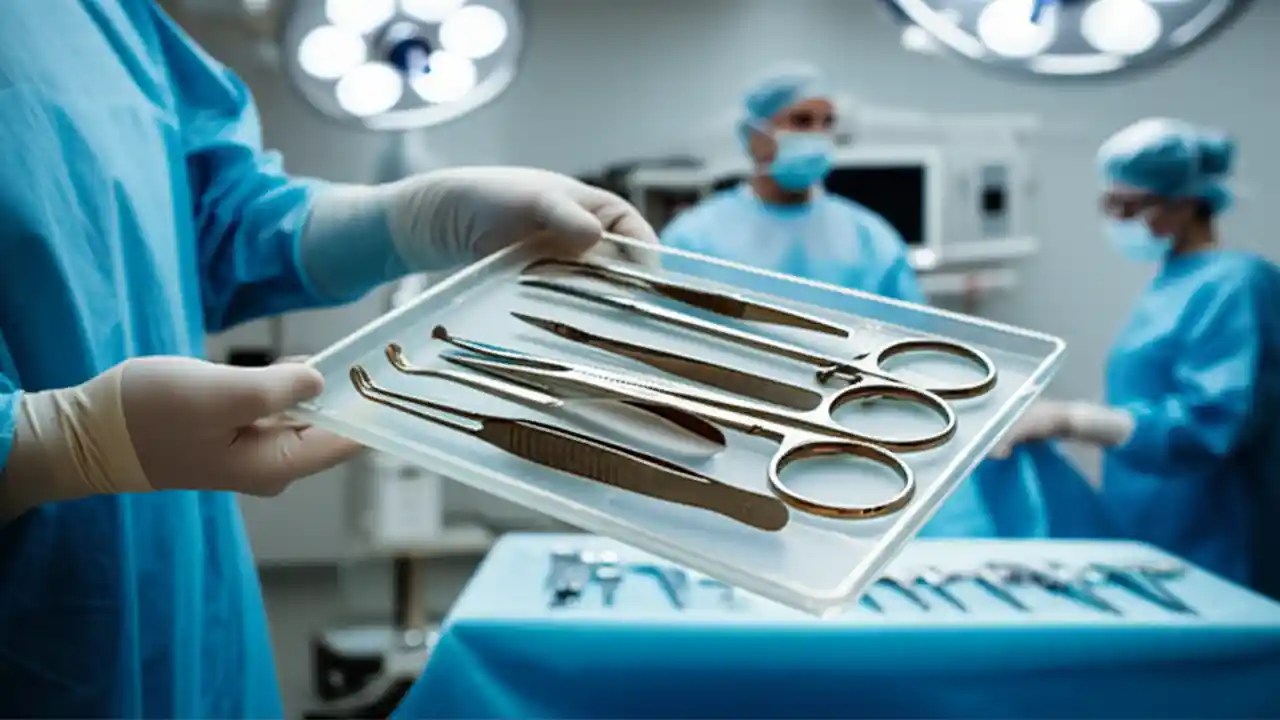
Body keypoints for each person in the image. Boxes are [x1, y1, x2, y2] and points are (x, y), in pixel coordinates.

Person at [0, 3, 657, 716]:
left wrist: (411, 219)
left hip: (190, 602)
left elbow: (218, 219)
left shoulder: (102, 15)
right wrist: (52, 445)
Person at [993, 118, 1280, 595]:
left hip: (1218, 541)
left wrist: (1073, 419)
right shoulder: (1174, 280)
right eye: (1107, 204)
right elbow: (1142, 396)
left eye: (1126, 206)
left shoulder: (1237, 284)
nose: (1114, 219)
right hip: (1153, 529)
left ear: (1185, 203)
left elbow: (1211, 426)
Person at [660, 64, 923, 303]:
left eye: (828, 122)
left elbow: (911, 342)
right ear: (754, 135)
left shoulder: (871, 240)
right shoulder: (693, 241)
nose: (818, 135)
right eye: (801, 121)